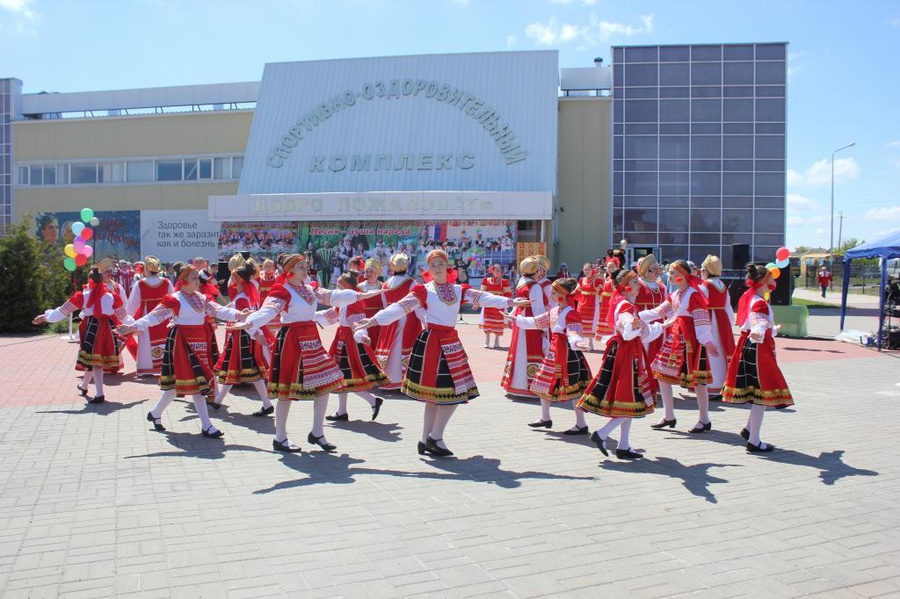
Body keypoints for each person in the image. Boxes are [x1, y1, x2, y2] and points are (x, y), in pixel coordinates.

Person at [354, 249, 531, 457]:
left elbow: (483, 297)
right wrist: (373, 320)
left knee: (444, 394)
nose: (437, 268)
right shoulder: (423, 290)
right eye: (432, 265)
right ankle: (433, 437)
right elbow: (400, 307)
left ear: (447, 266)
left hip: (450, 342)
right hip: (432, 343)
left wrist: (510, 303)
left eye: (440, 264)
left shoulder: (458, 289)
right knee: (447, 394)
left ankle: (427, 439)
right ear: (428, 269)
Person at [228, 255, 383, 453]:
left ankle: (317, 432)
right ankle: (280, 437)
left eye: (306, 266)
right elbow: (268, 311)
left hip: (312, 339)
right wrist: (250, 323)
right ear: (290, 269)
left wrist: (360, 296)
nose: (305, 269)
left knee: (326, 384)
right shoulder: (282, 290)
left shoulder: (309, 289)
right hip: (292, 340)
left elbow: (333, 296)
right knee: (286, 391)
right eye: (301, 266)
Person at [116, 263, 248, 437]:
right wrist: (132, 327)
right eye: (193, 278)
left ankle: (156, 414)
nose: (197, 281)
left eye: (197, 277)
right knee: (194, 383)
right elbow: (153, 317)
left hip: (200, 343)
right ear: (183, 280)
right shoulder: (174, 299)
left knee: (187, 384)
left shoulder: (201, 297)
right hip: (182, 344)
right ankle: (206, 425)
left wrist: (239, 315)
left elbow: (219, 310)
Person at [578, 269, 663, 459]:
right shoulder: (626, 306)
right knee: (632, 400)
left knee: (626, 400)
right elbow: (628, 331)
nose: (638, 287)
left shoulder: (620, 301)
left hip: (623, 352)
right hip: (627, 354)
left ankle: (624, 445)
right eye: (634, 284)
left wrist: (657, 318)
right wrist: (643, 326)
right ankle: (602, 433)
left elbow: (636, 321)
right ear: (625, 285)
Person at [639, 260, 719, 433]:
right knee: (660, 373)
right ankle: (669, 415)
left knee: (698, 381)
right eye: (669, 273)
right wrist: (635, 316)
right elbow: (658, 312)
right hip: (675, 338)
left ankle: (704, 419)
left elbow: (701, 318)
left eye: (673, 273)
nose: (670, 276)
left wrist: (707, 341)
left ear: (683, 275)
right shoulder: (675, 295)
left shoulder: (693, 294)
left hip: (692, 340)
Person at [723, 264, 794, 452]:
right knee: (761, 393)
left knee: (757, 392)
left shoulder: (752, 298)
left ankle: (749, 430)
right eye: (771, 276)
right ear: (763, 280)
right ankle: (754, 441)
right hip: (757, 349)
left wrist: (769, 329)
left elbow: (756, 322)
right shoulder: (759, 302)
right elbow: (757, 322)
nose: (774, 279)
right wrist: (760, 331)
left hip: (752, 345)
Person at [33, 265, 129, 403]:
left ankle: (100, 394)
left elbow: (63, 311)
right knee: (92, 359)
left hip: (92, 326)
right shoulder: (111, 296)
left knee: (96, 361)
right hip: (107, 327)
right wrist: (134, 325)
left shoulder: (83, 295)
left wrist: (45, 317)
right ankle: (84, 386)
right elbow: (123, 315)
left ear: (89, 280)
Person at [507, 277, 592, 434]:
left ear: (563, 294)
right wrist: (516, 318)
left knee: (574, 389)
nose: (551, 295)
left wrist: (577, 342)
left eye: (554, 292)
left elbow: (574, 331)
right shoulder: (554, 311)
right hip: (554, 353)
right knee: (541, 382)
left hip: (568, 354)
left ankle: (581, 424)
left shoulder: (571, 312)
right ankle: (545, 417)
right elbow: (536, 322)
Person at [320, 270, 389, 422]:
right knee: (341, 377)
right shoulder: (344, 302)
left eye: (339, 287)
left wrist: (362, 336)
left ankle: (372, 401)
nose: (337, 290)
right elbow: (330, 315)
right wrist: (306, 316)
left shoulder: (353, 303)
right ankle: (342, 411)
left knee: (345, 377)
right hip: (342, 340)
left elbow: (357, 324)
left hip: (349, 342)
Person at [211, 256, 274, 417]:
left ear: (239, 281)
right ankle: (218, 401)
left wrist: (256, 335)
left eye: (234, 279)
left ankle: (265, 403)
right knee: (240, 370)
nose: (232, 282)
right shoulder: (245, 297)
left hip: (242, 338)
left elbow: (247, 320)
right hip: (243, 336)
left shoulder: (241, 299)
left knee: (243, 369)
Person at [374, 253, 423, 391]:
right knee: (403, 347)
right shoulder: (412, 283)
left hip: (389, 319)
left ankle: (389, 380)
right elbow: (417, 305)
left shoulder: (385, 284)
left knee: (391, 348)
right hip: (408, 319)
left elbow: (385, 305)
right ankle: (404, 380)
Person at [501, 256, 547, 398]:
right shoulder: (535, 286)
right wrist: (544, 328)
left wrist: (511, 315)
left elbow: (518, 302)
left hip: (520, 320)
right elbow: (538, 309)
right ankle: (532, 386)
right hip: (530, 323)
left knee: (519, 351)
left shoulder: (521, 282)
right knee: (531, 350)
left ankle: (515, 384)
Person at [125, 256, 174, 376]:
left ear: (146, 268)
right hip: (163, 317)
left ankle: (146, 368)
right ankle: (164, 366)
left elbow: (132, 304)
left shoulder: (140, 283)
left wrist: (126, 319)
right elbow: (173, 301)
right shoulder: (166, 282)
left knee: (145, 341)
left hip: (146, 316)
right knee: (165, 340)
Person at [699, 255, 735, 400]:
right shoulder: (723, 285)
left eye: (702, 269)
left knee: (710, 352)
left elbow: (700, 304)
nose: (701, 272)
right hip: (722, 320)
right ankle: (720, 384)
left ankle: (709, 385)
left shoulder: (705, 285)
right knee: (721, 351)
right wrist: (729, 323)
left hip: (708, 319)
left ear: (707, 271)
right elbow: (728, 306)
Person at [634, 254, 667, 364]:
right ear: (646, 271)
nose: (657, 273)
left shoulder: (660, 285)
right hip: (644, 320)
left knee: (660, 347)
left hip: (660, 320)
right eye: (653, 270)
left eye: (657, 270)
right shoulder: (637, 283)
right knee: (645, 349)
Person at [479, 263, 511, 349]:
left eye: (499, 271)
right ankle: (487, 340)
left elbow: (507, 294)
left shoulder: (504, 282)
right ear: (492, 271)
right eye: (496, 270)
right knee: (488, 322)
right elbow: (482, 292)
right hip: (488, 304)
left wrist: (506, 302)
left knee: (498, 323)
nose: (498, 272)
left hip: (499, 305)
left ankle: (497, 341)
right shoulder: (486, 280)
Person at [574, 262, 604, 352]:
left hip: (592, 304)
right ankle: (580, 343)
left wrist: (597, 288)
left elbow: (601, 289)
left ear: (592, 270)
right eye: (585, 269)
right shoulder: (582, 280)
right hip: (582, 303)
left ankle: (591, 342)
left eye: (588, 269)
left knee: (591, 322)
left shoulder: (596, 279)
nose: (587, 271)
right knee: (581, 322)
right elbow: (577, 289)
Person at [359, 259, 384, 347]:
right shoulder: (359, 287)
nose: (368, 274)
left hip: (379, 319)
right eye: (367, 271)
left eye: (371, 271)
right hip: (364, 318)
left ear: (377, 273)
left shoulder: (383, 286)